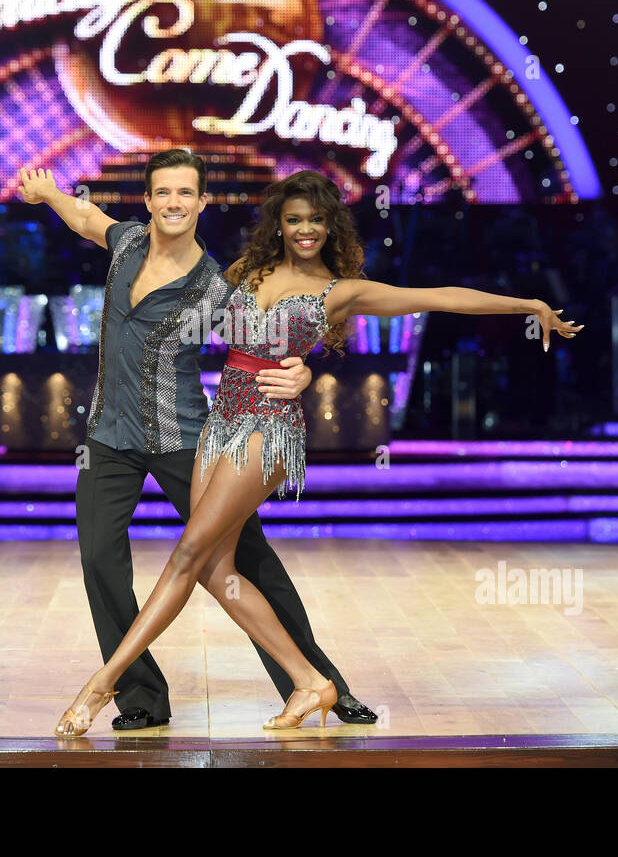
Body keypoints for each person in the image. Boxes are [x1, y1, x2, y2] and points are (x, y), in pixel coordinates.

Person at [45, 168, 585, 736]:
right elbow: (183, 314)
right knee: (215, 572)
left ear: (331, 227)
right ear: (278, 225)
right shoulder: (244, 273)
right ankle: (310, 682)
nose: (306, 230)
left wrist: (526, 304)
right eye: (295, 220)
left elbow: (440, 296)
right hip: (218, 421)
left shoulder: (342, 290)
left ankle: (100, 684)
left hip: (267, 429)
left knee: (186, 558)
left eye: (317, 221)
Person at [17, 151, 378, 731]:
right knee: (98, 559)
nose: (174, 204)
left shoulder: (219, 284)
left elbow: (273, 331)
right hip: (108, 437)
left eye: (186, 194)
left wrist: (301, 372)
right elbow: (86, 218)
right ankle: (141, 697)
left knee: (246, 561)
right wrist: (50, 194)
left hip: (184, 435)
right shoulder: (128, 243)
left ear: (202, 203)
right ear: (149, 200)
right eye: (164, 193)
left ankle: (321, 682)